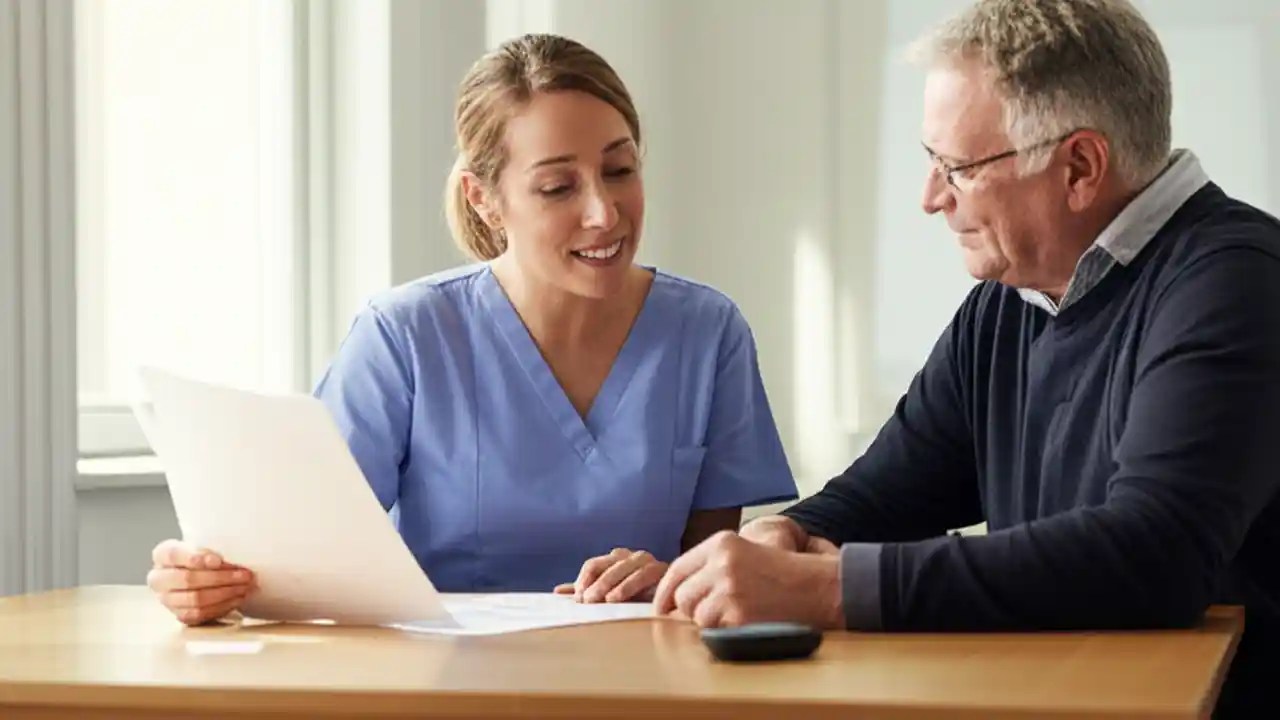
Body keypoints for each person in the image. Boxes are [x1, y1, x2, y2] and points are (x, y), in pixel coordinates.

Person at [652, 1, 1279, 715]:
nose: (930, 198)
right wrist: (789, 536)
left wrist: (825, 588)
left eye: (958, 167)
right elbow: (892, 490)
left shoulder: (1235, 281)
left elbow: (1156, 555)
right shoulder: (1015, 297)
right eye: (931, 162)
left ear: (1079, 166)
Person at [145, 34, 796, 625]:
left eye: (619, 171)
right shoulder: (404, 337)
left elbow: (716, 574)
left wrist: (669, 582)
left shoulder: (707, 333)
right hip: (443, 682)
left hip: (645, 681)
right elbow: (289, 560)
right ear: (484, 197)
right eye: (557, 186)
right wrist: (202, 581)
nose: (604, 212)